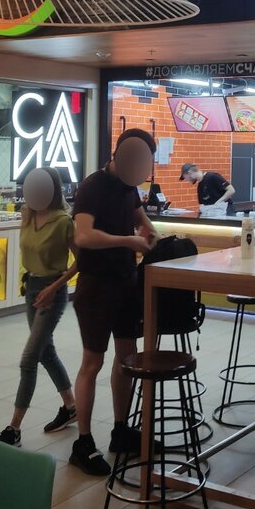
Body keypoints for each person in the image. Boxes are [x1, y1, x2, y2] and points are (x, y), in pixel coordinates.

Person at [68, 128, 159, 476]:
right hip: (96, 286)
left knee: (126, 359)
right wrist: (128, 242)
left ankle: (121, 430)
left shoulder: (129, 187)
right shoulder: (93, 187)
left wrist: (152, 233)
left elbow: (141, 219)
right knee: (92, 362)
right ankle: (83, 442)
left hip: (126, 283)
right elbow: (83, 235)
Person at [0, 167, 78, 448]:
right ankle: (71, 407)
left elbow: (80, 261)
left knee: (29, 358)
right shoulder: (27, 215)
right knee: (46, 352)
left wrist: (54, 287)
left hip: (51, 292)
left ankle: (14, 428)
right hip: (31, 287)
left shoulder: (64, 222)